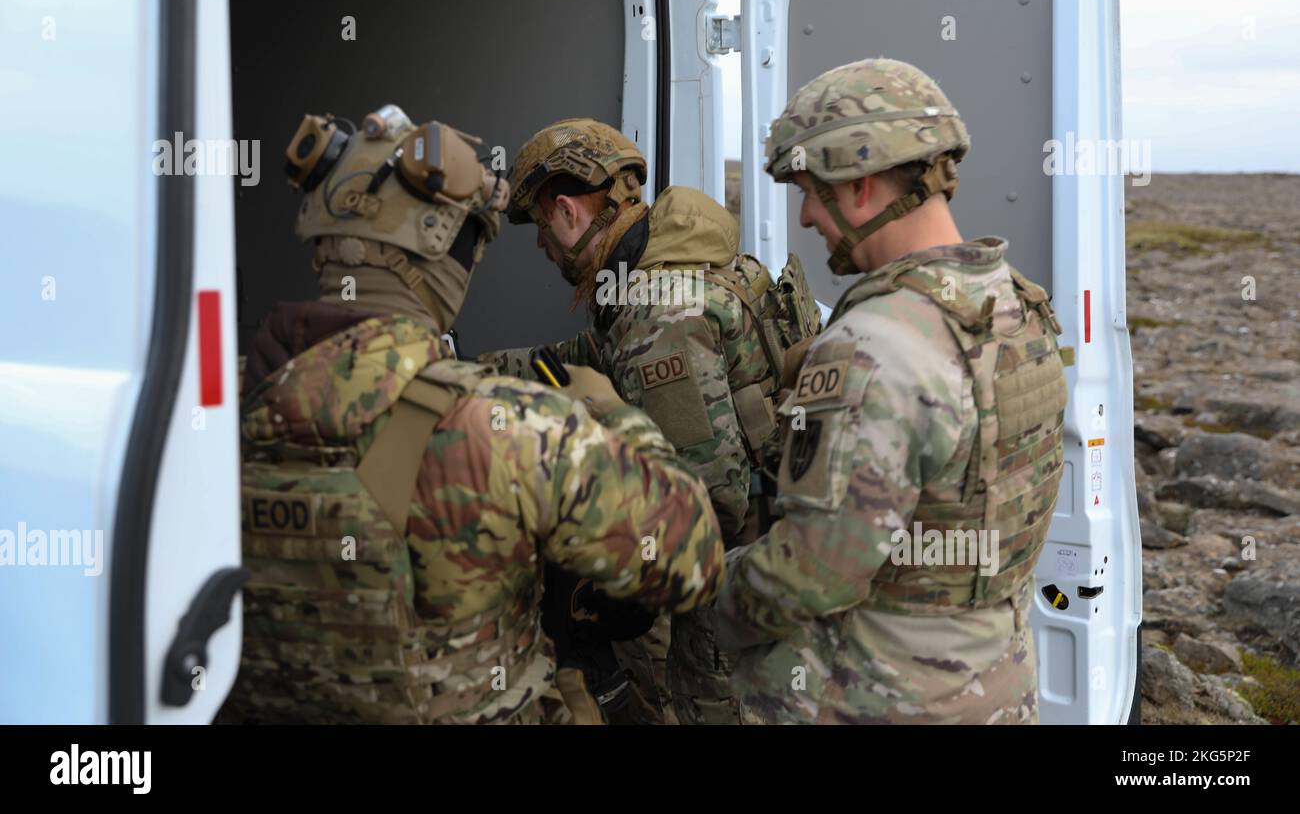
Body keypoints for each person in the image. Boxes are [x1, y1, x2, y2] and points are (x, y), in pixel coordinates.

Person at [219, 105, 724, 725]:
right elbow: (691, 554)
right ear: (439, 255)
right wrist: (617, 417)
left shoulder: (211, 416)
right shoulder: (509, 431)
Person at [712, 58, 1069, 724]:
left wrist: (705, 590)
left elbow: (811, 574)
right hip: (997, 686)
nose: (809, 216)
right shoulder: (1017, 305)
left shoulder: (874, 345)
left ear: (863, 185)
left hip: (875, 697)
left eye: (811, 191)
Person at [481, 118, 819, 724]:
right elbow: (581, 359)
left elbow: (708, 507)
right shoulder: (670, 264)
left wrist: (598, 591)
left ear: (566, 212)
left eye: (539, 228)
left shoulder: (657, 314)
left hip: (719, 608)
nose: (542, 247)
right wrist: (466, 371)